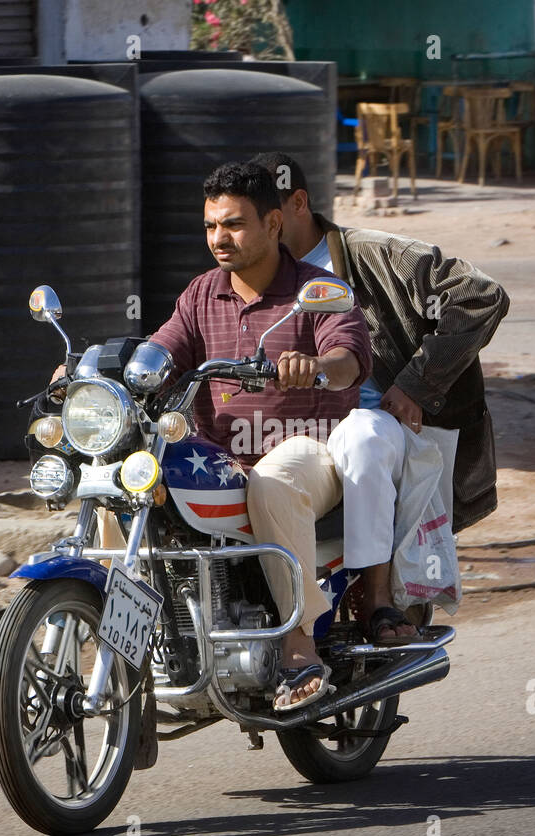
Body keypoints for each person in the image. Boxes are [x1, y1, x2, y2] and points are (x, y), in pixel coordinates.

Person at [249, 152, 509, 643]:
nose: (249, 232)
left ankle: (376, 596)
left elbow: (482, 295)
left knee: (361, 433)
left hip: (378, 429)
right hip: (294, 440)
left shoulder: (375, 257)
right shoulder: (243, 275)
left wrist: (416, 383)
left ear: (297, 205)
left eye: (267, 217)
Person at [147, 162, 371, 711]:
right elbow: (161, 351)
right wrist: (91, 373)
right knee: (129, 482)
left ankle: (300, 645)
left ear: (274, 223)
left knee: (269, 483)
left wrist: (317, 364)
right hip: (221, 458)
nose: (219, 238)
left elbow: (350, 359)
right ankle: (146, 636)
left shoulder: (318, 291)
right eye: (210, 226)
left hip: (308, 451)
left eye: (234, 224)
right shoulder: (201, 294)